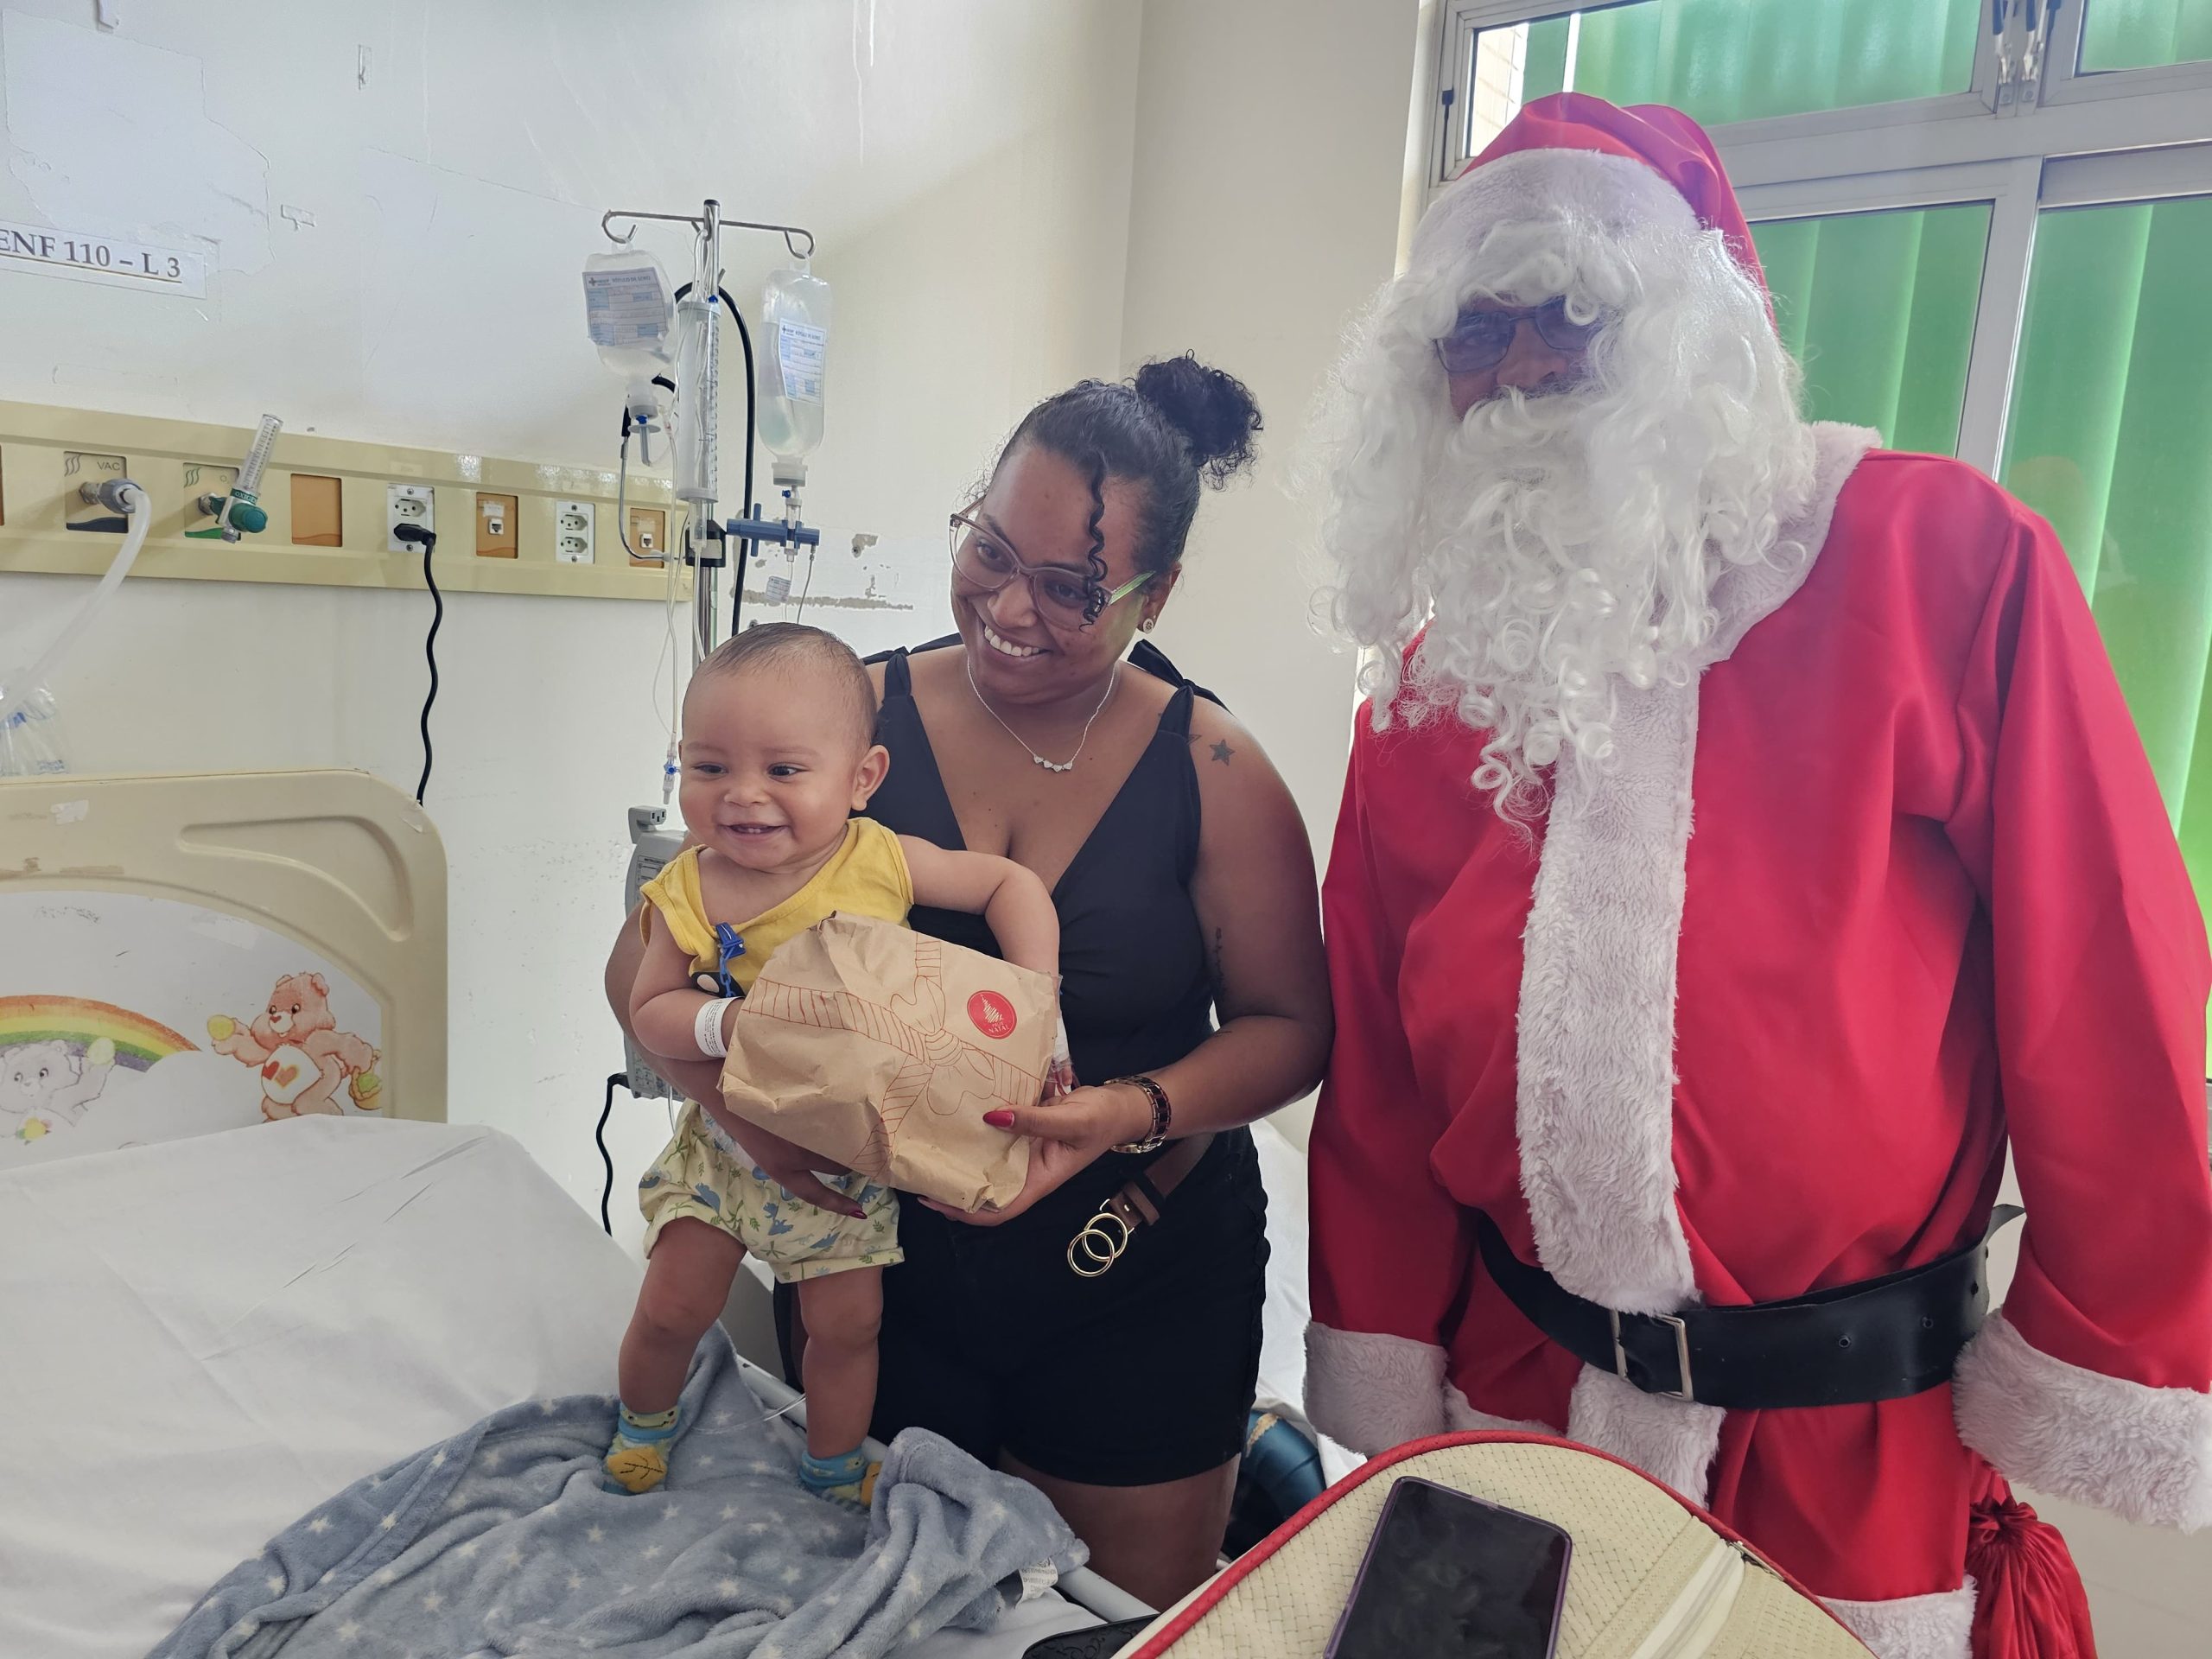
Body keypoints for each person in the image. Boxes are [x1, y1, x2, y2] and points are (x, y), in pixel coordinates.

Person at [1305, 93, 2212, 1659]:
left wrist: (2106, 1338)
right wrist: (1384, 1365)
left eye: (1572, 314)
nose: (1519, 366)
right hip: (1510, 1413)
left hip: (1841, 1443)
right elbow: (1379, 1083)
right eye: (1478, 331)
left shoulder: (1942, 559)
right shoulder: (1433, 688)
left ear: (1689, 327)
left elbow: (2107, 975)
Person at [607, 355, 1332, 1606]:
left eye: (1069, 586)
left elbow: (1289, 1030)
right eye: (990, 549)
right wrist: (752, 1132)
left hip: (1135, 1268)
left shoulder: (1213, 769)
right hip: (876, 1270)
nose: (1009, 604)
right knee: (898, 1610)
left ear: (1154, 595)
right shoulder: (835, 725)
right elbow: (649, 967)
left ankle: (1264, 1453)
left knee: (1109, 1624)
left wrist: (1126, 1109)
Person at [607, 623, 1063, 1504]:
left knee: (849, 1330)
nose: (744, 796)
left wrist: (1039, 1019)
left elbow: (1013, 887)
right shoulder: (692, 888)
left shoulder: (880, 861)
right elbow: (650, 1010)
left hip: (851, 1160)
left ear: (862, 780)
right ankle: (643, 1424)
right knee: (672, 1306)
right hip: (727, 1155)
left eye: (783, 770)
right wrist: (737, 1023)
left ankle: (831, 1463)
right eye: (708, 768)